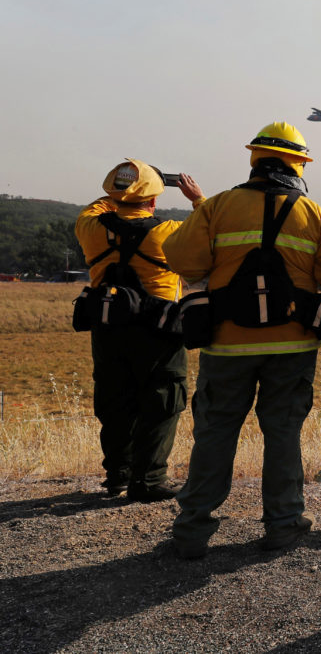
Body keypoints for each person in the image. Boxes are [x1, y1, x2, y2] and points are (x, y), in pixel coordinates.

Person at [164, 122, 321, 558]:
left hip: (226, 345)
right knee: (284, 433)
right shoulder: (313, 213)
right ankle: (284, 525)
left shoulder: (218, 206)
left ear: (254, 159)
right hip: (293, 347)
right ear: (299, 164)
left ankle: (192, 531)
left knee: (214, 434)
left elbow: (178, 258)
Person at [74, 159, 204, 501]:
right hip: (158, 329)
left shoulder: (89, 227)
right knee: (163, 399)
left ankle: (118, 474)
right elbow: (211, 230)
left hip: (108, 326)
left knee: (115, 399)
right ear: (154, 200)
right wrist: (197, 198)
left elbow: (100, 204)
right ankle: (148, 481)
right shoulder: (169, 231)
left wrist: (122, 188)